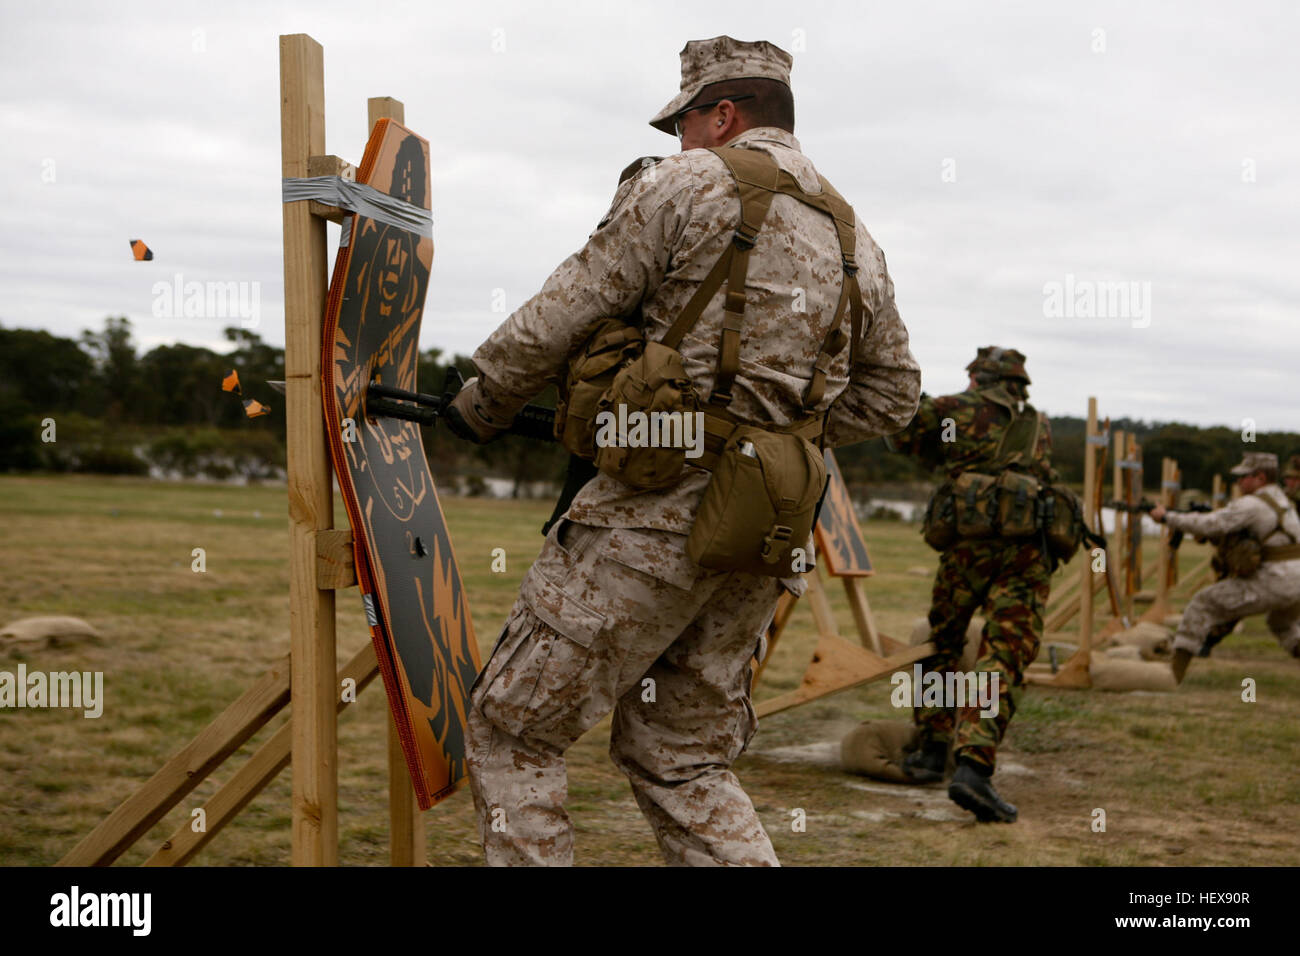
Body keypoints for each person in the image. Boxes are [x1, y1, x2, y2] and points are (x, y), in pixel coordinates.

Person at [443, 35, 920, 865]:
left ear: (724, 114)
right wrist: (772, 434)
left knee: (513, 731)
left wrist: (481, 403)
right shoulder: (856, 239)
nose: (678, 141)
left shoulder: (692, 184)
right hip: (766, 530)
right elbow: (894, 396)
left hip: (652, 510)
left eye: (685, 122)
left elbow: (567, 308)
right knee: (683, 754)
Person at [887, 347, 1054, 823]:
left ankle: (932, 749)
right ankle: (974, 767)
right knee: (1003, 653)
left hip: (967, 550)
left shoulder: (952, 410)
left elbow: (902, 436)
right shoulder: (1039, 425)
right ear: (1020, 382)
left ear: (978, 377)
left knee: (942, 643)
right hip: (1026, 554)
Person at [1151, 452, 1300, 681]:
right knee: (1281, 623)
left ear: (1260, 477)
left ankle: (1174, 675)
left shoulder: (1253, 504)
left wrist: (1166, 517)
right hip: (1295, 583)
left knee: (1202, 603)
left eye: (1244, 476)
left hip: (1275, 580)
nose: (1238, 482)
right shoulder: (1283, 500)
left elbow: (1211, 525)